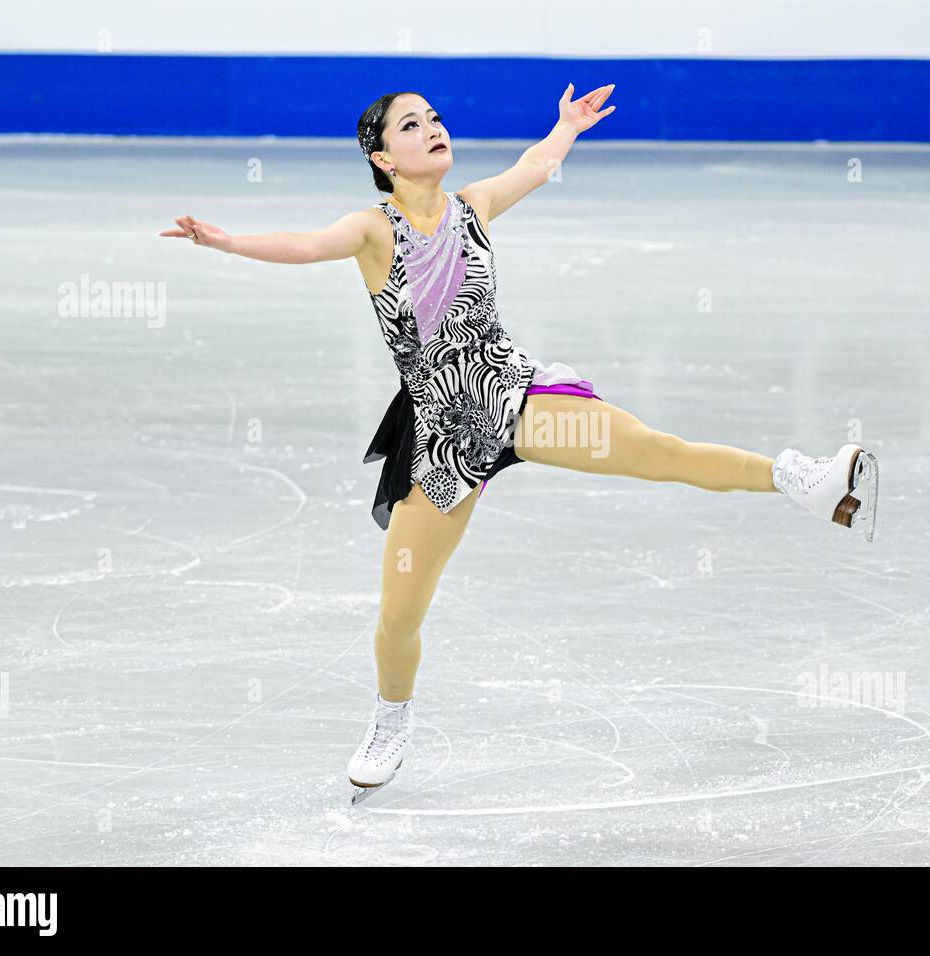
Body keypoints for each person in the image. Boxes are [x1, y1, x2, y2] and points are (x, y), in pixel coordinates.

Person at [160, 84, 880, 798]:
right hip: (444, 437)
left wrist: (565, 128)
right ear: (383, 157)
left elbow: (534, 165)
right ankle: (390, 720)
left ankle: (805, 481)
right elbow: (306, 245)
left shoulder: (472, 206)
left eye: (436, 118)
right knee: (399, 612)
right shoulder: (373, 229)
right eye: (412, 126)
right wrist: (222, 239)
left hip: (516, 396)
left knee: (656, 451)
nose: (434, 129)